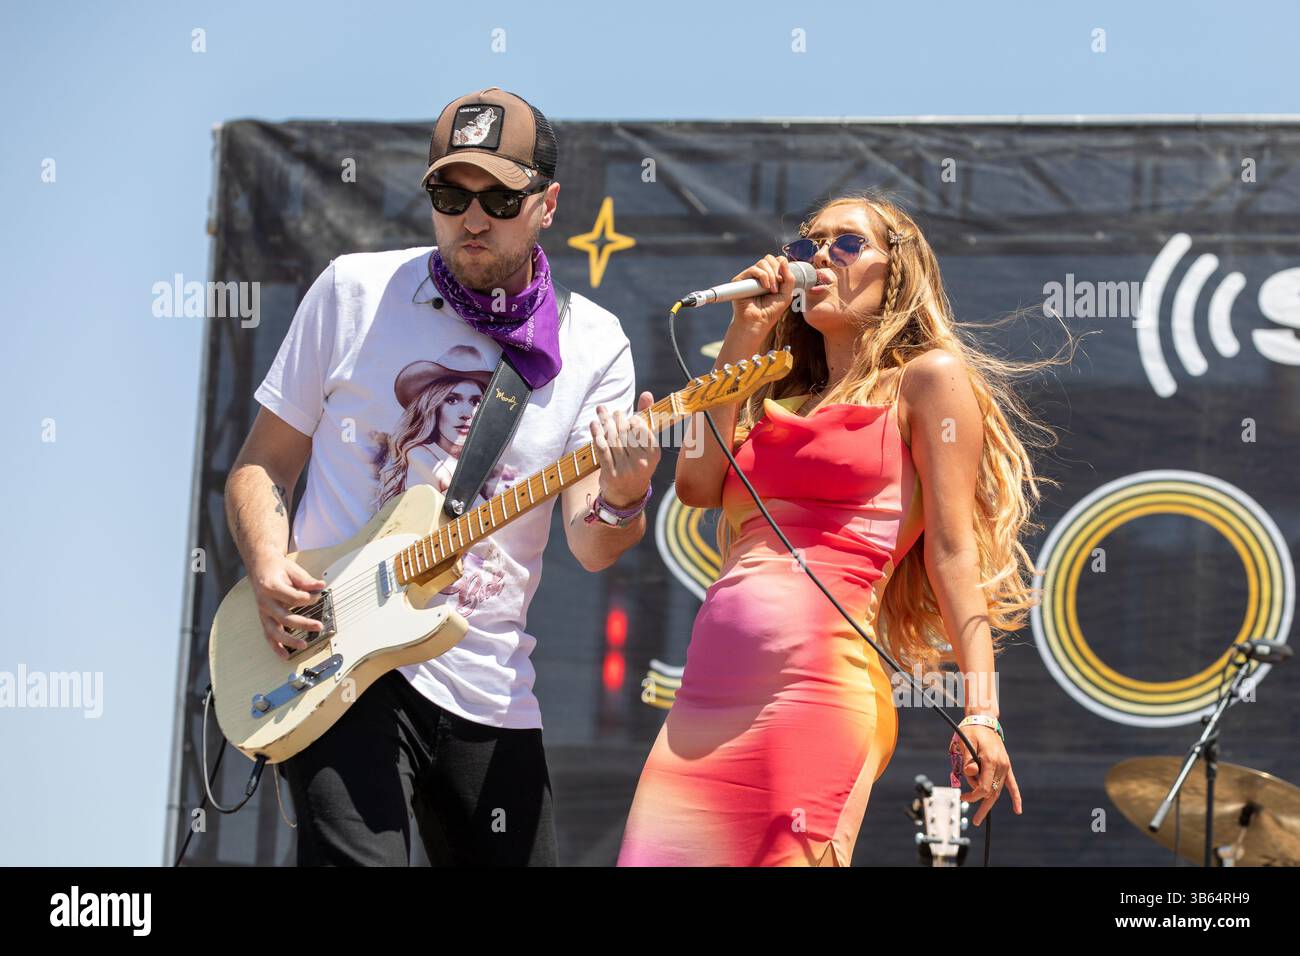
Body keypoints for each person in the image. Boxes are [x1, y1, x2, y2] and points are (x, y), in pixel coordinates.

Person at [224, 87, 660, 866]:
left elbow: (594, 548)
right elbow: (262, 464)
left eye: (499, 195)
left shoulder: (595, 343)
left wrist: (625, 497)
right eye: (449, 193)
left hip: (486, 685)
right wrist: (265, 564)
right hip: (340, 660)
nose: (473, 216)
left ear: (548, 202)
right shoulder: (354, 292)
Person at [617, 190, 1054, 866]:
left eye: (846, 244)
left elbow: (953, 554)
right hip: (703, 704)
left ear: (895, 272)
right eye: (807, 244)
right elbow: (696, 484)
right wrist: (745, 333)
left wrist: (983, 713)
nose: (819, 256)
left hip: (816, 695)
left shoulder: (927, 381)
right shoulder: (770, 395)